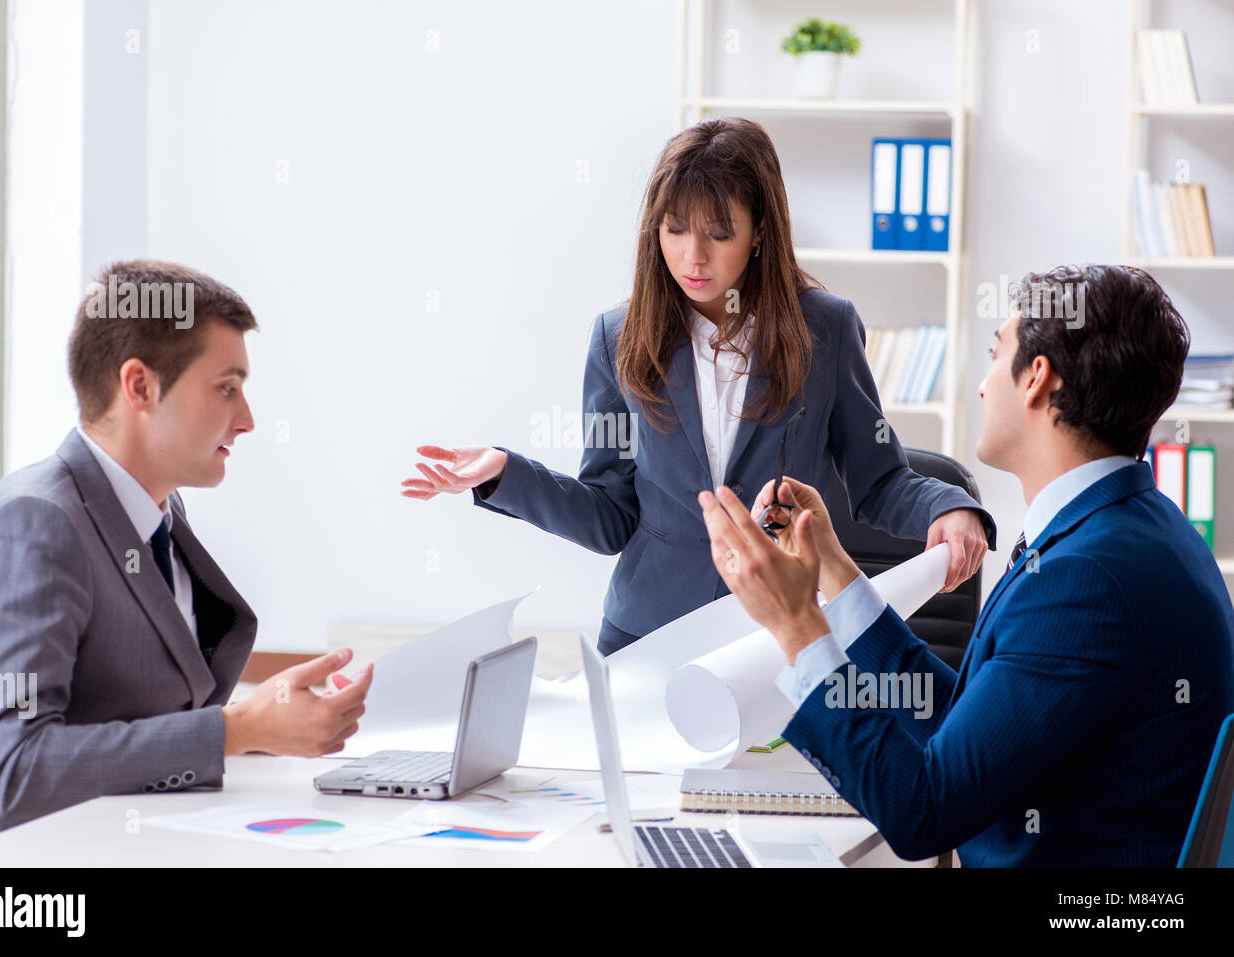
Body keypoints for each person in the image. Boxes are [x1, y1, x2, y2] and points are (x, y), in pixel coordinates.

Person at [700, 263, 1234, 866]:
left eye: (993, 354)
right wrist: (834, 569)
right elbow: (967, 728)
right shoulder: (1136, 528)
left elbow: (922, 810)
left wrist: (798, 627)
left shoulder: (1088, 577)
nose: (982, 386)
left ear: (1036, 378)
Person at [402, 117, 995, 654]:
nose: (692, 256)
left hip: (774, 640)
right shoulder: (617, 336)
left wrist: (952, 506)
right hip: (645, 638)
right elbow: (610, 515)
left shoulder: (827, 329)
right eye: (675, 229)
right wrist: (505, 472)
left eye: (718, 233)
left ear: (760, 231)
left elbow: (879, 480)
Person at [0, 260, 372, 852]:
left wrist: (264, 722)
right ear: (139, 386)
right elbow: (14, 771)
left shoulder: (156, 514)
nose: (246, 420)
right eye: (226, 388)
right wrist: (234, 731)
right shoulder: (30, 524)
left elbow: (136, 707)